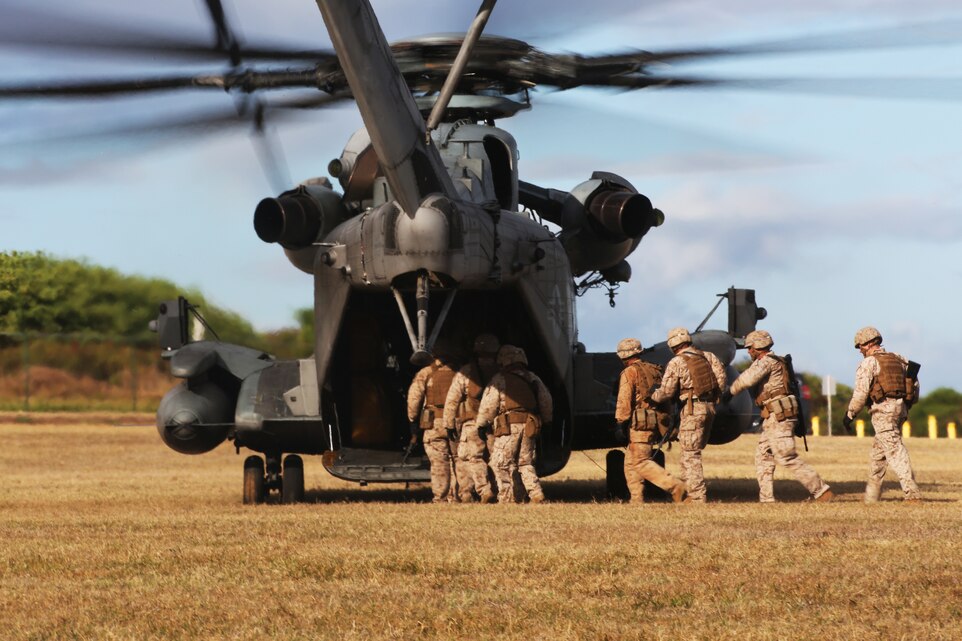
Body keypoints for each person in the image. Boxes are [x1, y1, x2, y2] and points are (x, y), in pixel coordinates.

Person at [725, 330, 833, 503]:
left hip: (779, 416)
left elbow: (747, 379)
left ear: (758, 347)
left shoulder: (767, 362)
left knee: (785, 455)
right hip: (773, 417)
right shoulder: (771, 361)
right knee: (763, 455)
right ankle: (766, 499)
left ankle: (821, 490)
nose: (748, 352)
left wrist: (730, 392)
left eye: (750, 348)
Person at [842, 326, 921, 503]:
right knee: (878, 455)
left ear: (869, 343)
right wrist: (905, 405)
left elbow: (861, 393)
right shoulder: (900, 359)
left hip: (882, 411)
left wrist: (850, 414)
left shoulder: (869, 363)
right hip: (901, 410)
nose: (860, 350)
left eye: (861, 346)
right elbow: (915, 387)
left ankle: (912, 493)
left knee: (894, 450)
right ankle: (871, 498)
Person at [649, 327, 726, 504]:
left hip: (692, 409)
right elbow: (721, 383)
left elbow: (666, 392)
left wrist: (652, 397)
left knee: (690, 453)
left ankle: (697, 497)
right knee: (693, 450)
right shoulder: (709, 356)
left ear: (672, 345)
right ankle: (691, 490)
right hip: (709, 408)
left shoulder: (676, 362)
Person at [614, 338, 688, 504]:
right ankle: (636, 499)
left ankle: (676, 487)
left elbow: (624, 399)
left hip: (640, 423)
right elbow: (666, 397)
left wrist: (620, 423)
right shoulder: (655, 370)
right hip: (655, 420)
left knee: (641, 461)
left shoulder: (630, 372)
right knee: (630, 462)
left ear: (623, 356)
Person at [476, 345, 552, 504]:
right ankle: (536, 494)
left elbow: (489, 404)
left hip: (508, 426)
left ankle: (506, 498)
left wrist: (482, 424)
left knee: (500, 463)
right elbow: (546, 401)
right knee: (526, 462)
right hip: (531, 425)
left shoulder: (500, 379)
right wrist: (546, 421)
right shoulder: (532, 377)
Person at [443, 333, 500, 503]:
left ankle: (484, 490)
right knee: (496, 459)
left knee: (474, 458)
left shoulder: (467, 372)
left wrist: (449, 424)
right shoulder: (501, 371)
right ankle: (501, 491)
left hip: (472, 423)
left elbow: (452, 399)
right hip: (496, 424)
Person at [406, 341, 460, 503]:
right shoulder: (461, 372)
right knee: (457, 460)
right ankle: (457, 495)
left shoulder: (425, 373)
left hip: (434, 424)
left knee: (438, 462)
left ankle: (440, 497)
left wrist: (413, 420)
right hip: (457, 422)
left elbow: (413, 401)